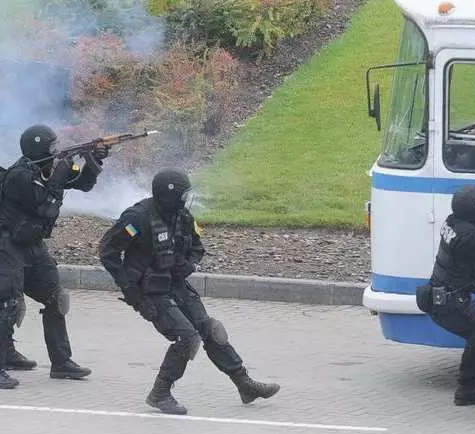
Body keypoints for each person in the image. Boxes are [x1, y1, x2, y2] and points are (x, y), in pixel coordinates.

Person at [99, 167, 280, 415]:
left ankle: (244, 384)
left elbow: (197, 246)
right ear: (168, 195)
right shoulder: (137, 218)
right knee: (187, 337)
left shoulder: (182, 216)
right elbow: (108, 252)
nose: (186, 200)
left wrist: (189, 264)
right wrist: (130, 290)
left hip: (176, 286)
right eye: (182, 195)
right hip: (150, 292)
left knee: (211, 330)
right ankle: (160, 393)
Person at [0, 124, 109, 389]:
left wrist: (93, 159)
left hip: (34, 244)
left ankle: (61, 362)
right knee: (7, 304)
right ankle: (4, 360)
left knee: (56, 298)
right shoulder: (19, 177)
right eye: (51, 147)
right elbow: (44, 208)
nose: (56, 150)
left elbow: (82, 184)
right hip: (9, 244)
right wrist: (59, 178)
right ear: (38, 148)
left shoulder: (49, 167)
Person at [416, 184, 475, 410]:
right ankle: (469, 389)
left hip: (443, 300)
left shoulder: (453, 222)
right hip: (451, 304)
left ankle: (468, 390)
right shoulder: (470, 240)